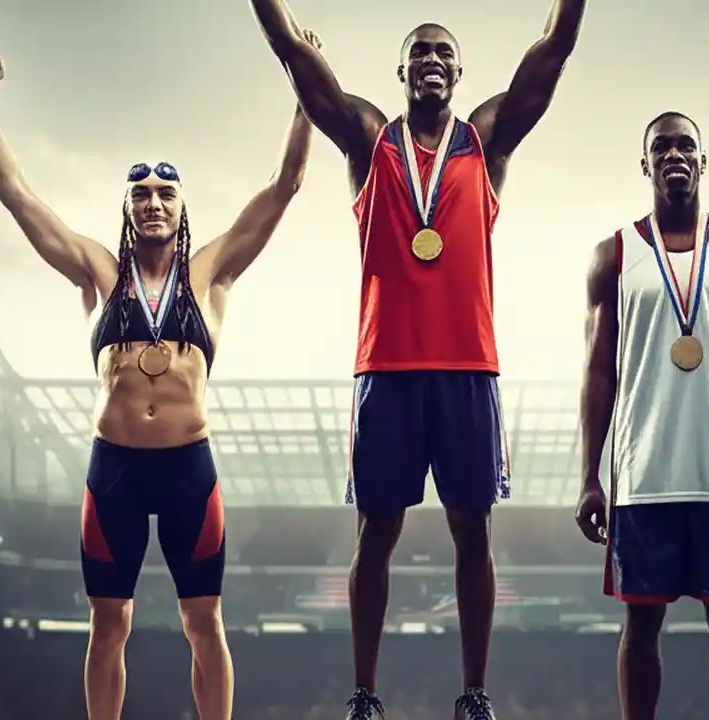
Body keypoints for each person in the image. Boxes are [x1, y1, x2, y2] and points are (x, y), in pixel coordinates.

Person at [0, 32, 320, 720]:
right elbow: (18, 198)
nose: (153, 201)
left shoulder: (210, 273)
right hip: (115, 472)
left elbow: (286, 187)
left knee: (203, 623)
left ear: (183, 208)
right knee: (110, 623)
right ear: (127, 209)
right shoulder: (98, 272)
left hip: (190, 468)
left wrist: (304, 92)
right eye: (142, 193)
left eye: (165, 192)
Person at [246, 3, 586, 718]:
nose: (431, 60)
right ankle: (364, 695)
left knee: (474, 531)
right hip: (387, 369)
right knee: (377, 532)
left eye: (444, 53)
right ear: (401, 72)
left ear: (459, 74)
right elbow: (289, 54)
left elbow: (555, 48)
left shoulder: (486, 141)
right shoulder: (369, 140)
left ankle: (474, 695)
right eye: (419, 52)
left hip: (468, 367)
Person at [575, 111, 709, 720]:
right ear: (645, 164)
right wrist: (590, 476)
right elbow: (597, 371)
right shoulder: (612, 256)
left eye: (685, 145)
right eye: (660, 147)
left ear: (702, 161)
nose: (674, 155)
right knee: (641, 622)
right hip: (644, 475)